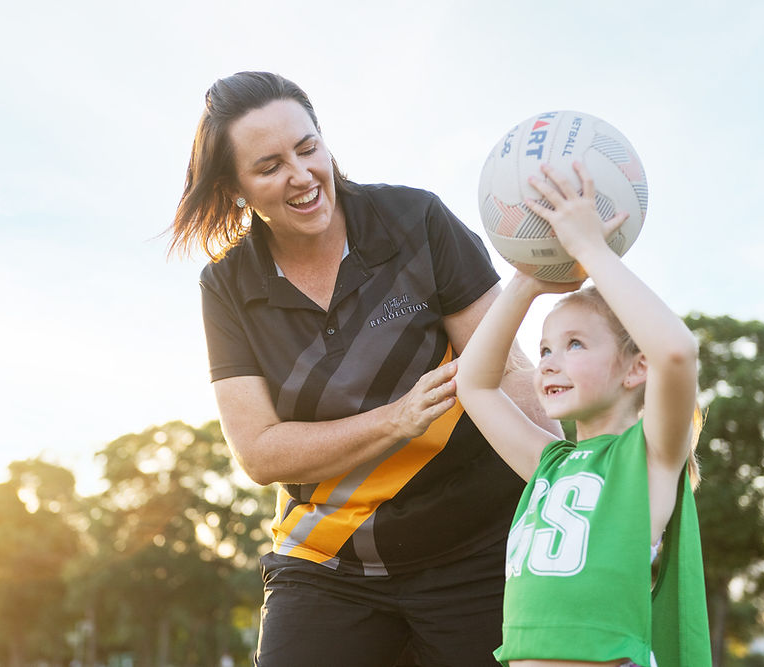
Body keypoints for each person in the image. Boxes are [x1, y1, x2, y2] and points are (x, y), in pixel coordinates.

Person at [169, 71, 560, 666]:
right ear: (236, 187)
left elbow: (505, 370)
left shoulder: (416, 220)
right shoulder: (226, 286)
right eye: (270, 166)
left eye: (308, 149)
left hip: (475, 545)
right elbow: (260, 451)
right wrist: (395, 420)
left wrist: (571, 481)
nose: (302, 176)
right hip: (326, 561)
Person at [454, 161, 712, 666]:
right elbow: (474, 384)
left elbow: (676, 352)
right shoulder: (548, 463)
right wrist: (526, 282)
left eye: (574, 344)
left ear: (636, 368)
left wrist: (590, 250)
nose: (549, 362)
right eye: (545, 348)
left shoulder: (650, 457)